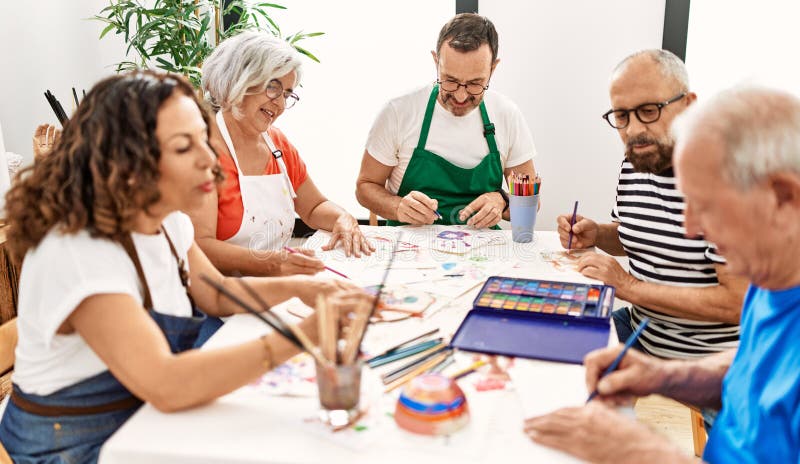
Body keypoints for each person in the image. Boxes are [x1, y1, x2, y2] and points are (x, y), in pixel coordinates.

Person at [0, 71, 366, 463]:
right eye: (182, 147)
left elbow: (215, 294)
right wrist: (304, 334)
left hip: (140, 418)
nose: (209, 160)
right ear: (127, 163)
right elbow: (168, 385)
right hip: (70, 445)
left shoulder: (166, 219)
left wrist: (302, 288)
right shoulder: (81, 251)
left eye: (203, 140)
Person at [527, 86, 800, 463]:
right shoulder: (772, 277)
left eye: (705, 205)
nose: (691, 228)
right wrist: (662, 376)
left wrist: (640, 451)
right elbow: (754, 371)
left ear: (784, 196)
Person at [557, 49, 747, 359]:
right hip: (639, 332)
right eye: (622, 116)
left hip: (705, 362)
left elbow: (738, 303)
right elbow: (640, 239)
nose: (633, 130)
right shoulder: (636, 161)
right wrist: (598, 234)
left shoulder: (729, 178)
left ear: (689, 105)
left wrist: (628, 286)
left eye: (648, 111)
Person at [192, 31, 374, 279]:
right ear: (239, 80)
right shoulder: (201, 151)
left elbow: (314, 207)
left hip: (273, 282)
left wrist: (343, 218)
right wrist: (274, 263)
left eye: (287, 94)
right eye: (273, 88)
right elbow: (200, 247)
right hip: (218, 289)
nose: (280, 104)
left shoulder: (277, 144)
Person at [356, 13, 537, 228]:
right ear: (436, 62)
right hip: (409, 244)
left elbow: (531, 202)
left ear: (493, 68)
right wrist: (398, 206)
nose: (460, 96)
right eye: (450, 80)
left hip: (483, 247)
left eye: (475, 84)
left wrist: (503, 200)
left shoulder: (507, 115)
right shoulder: (398, 112)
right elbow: (365, 187)